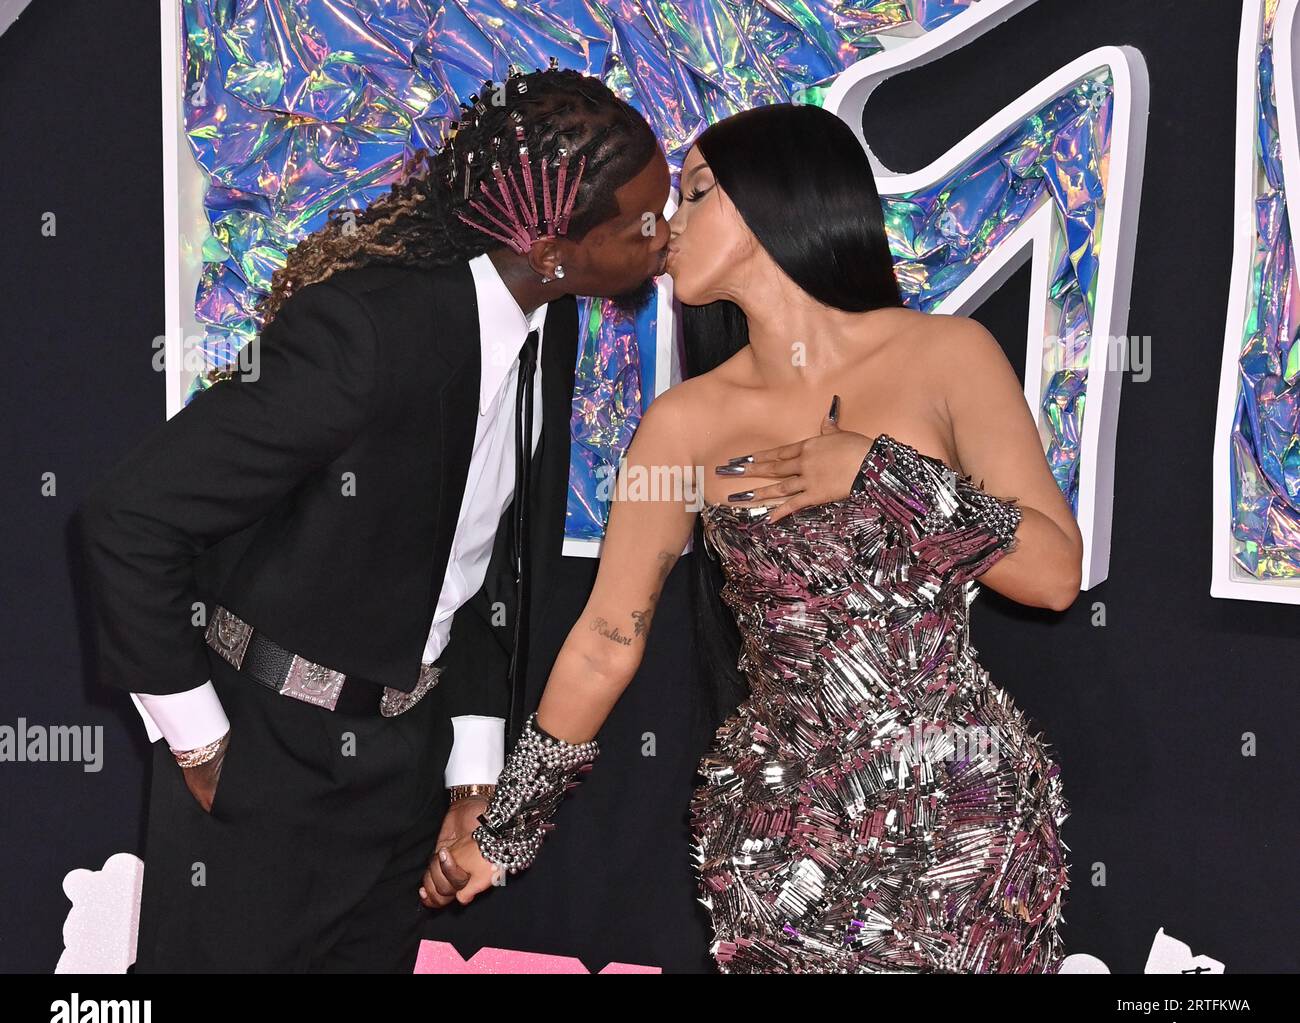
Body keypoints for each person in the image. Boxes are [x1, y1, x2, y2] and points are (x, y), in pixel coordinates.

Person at [431, 102, 1082, 974]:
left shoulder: (948, 358)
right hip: (781, 836)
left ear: (780, 195)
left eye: (696, 194)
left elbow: (1051, 574)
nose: (667, 226)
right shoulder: (685, 424)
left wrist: (883, 474)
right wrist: (506, 827)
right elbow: (605, 640)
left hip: (961, 819)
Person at [79, 64, 671, 973]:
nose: (662, 239)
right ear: (555, 243)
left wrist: (471, 768)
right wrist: (199, 741)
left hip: (402, 763)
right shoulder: (368, 333)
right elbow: (130, 516)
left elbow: (473, 562)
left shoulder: (546, 326)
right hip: (268, 760)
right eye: (642, 220)